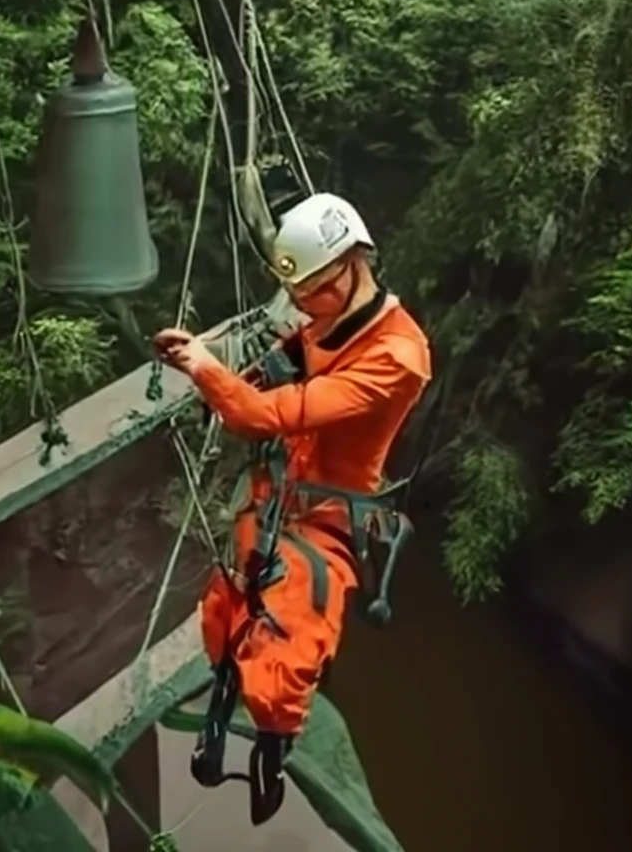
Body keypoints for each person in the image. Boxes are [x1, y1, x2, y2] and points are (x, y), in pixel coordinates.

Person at [153, 192, 431, 822]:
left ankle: (271, 754)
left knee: (285, 656)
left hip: (329, 519)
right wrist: (218, 371)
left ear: (355, 263)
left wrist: (203, 369)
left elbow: (272, 414)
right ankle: (219, 719)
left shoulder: (397, 358)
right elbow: (269, 378)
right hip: (276, 496)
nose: (306, 309)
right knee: (225, 614)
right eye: (299, 298)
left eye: (315, 293)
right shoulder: (325, 323)